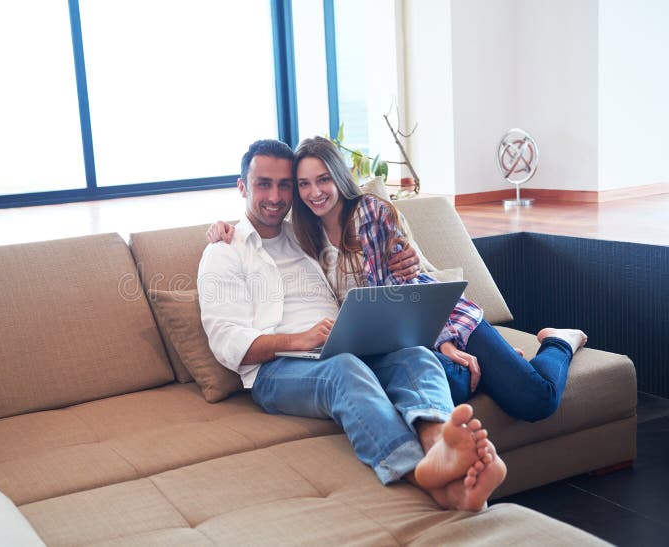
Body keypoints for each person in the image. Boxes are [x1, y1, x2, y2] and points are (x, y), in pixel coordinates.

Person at [198, 139, 506, 512]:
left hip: (346, 345)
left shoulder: (304, 235)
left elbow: (367, 248)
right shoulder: (224, 252)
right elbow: (226, 343)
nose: (276, 196)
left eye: (285, 185)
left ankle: (440, 449)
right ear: (242, 187)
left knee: (415, 356)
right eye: (264, 184)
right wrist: (299, 340)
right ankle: (414, 470)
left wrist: (408, 258)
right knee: (343, 371)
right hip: (276, 371)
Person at [212, 135, 585, 423]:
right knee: (445, 383)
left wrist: (442, 343)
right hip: (395, 343)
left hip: (439, 319)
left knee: (535, 400)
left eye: (323, 179)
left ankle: (558, 342)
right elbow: (259, 222)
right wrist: (220, 228)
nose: (314, 192)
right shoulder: (302, 235)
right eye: (304, 184)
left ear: (339, 177)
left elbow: (392, 297)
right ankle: (494, 365)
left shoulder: (370, 214)